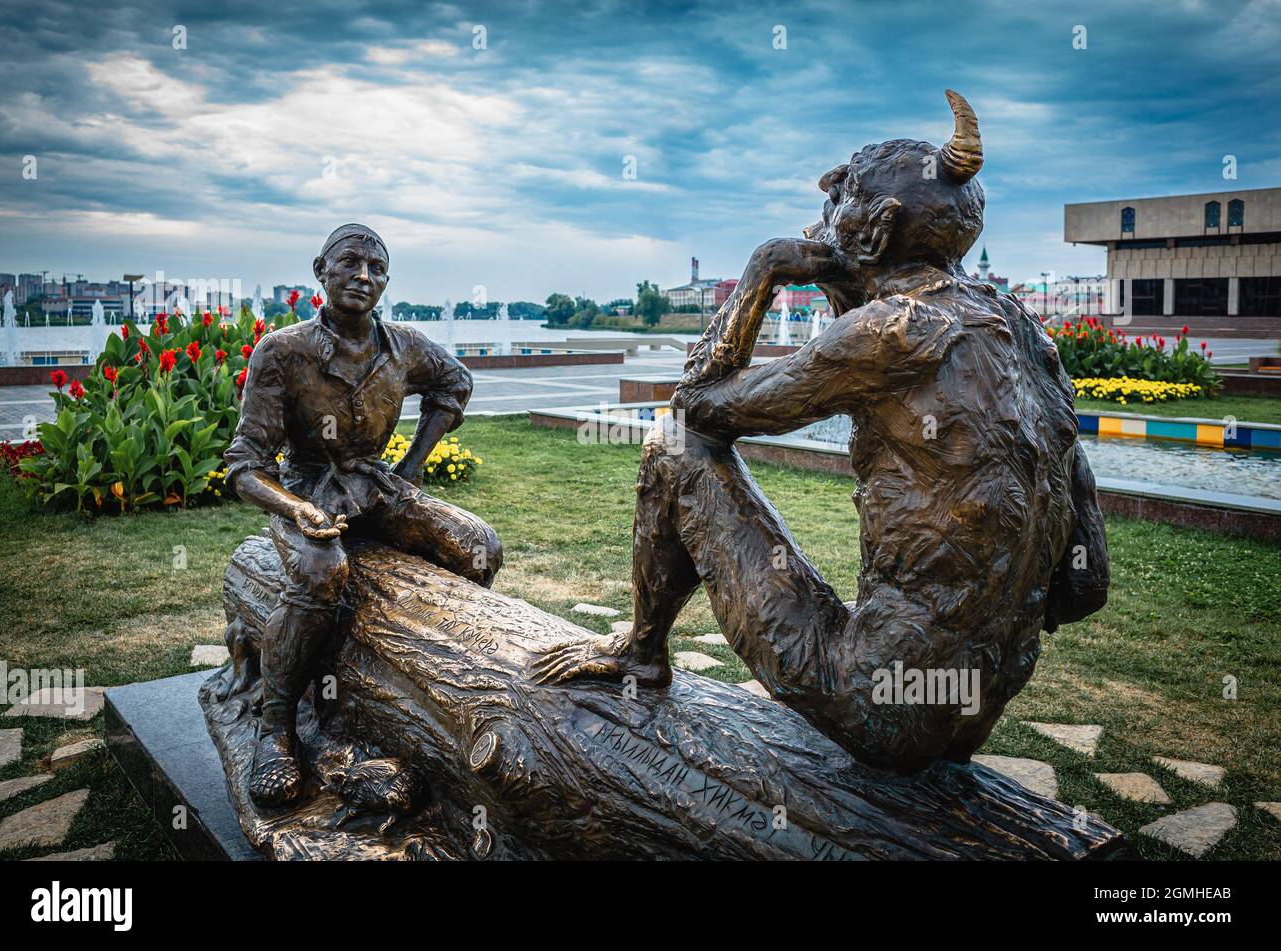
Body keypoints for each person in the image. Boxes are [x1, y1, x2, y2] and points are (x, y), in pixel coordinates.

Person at [533, 92, 1109, 772]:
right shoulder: (1027, 338)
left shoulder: (896, 330)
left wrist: (766, 267)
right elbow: (1085, 583)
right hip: (977, 705)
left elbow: (698, 408)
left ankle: (642, 652)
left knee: (672, 446)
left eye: (840, 203)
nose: (822, 215)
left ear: (877, 228)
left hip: (879, 705)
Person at [226, 223, 503, 807]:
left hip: (375, 485)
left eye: (376, 268)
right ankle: (276, 726)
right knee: (322, 571)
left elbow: (456, 383)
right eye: (349, 263)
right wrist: (297, 509)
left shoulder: (405, 345)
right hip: (308, 487)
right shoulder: (282, 351)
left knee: (479, 545)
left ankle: (427, 680)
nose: (363, 276)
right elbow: (245, 466)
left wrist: (412, 465)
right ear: (319, 270)